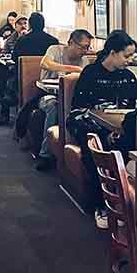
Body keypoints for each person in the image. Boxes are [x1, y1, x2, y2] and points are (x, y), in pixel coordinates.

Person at [67, 30, 137, 228]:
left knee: (126, 141)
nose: (129, 60)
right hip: (84, 119)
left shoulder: (128, 77)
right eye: (126, 56)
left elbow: (135, 107)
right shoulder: (91, 73)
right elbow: (79, 107)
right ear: (112, 52)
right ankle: (101, 205)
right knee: (97, 144)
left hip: (116, 123)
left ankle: (126, 203)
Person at [35, 29, 94, 171]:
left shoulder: (84, 60)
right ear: (71, 42)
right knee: (54, 108)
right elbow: (45, 64)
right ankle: (45, 154)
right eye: (82, 47)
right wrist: (74, 69)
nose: (85, 51)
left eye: (87, 47)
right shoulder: (55, 50)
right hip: (47, 95)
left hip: (71, 97)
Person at [0, 13, 59, 126]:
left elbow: (15, 57)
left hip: (23, 76)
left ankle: (4, 114)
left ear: (30, 25)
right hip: (48, 77)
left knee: (6, 80)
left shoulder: (23, 40)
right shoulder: (53, 41)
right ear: (43, 25)